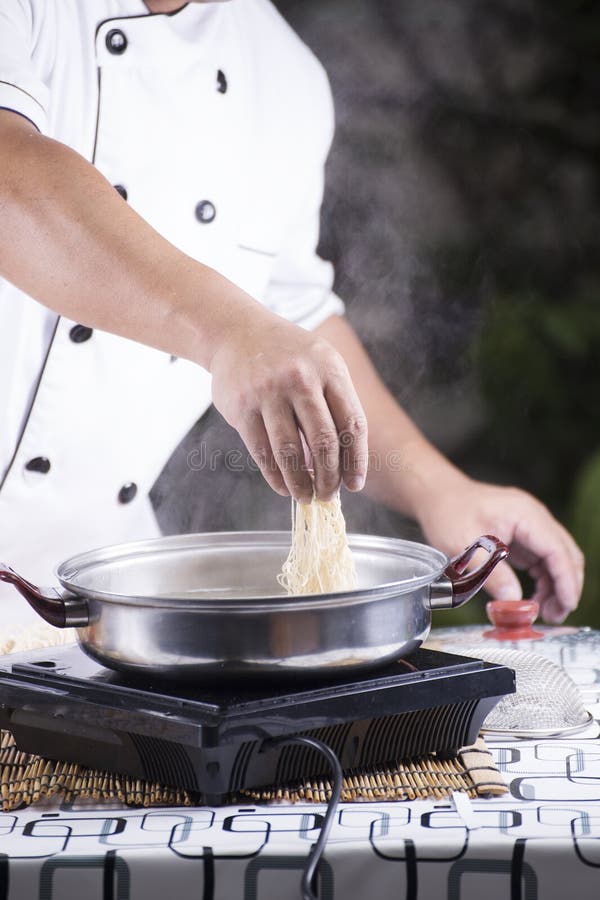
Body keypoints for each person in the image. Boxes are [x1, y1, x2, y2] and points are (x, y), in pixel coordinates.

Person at [0, 0, 583, 632]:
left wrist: (437, 488)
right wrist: (227, 331)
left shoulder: (284, 75)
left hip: (74, 608)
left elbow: (292, 321)